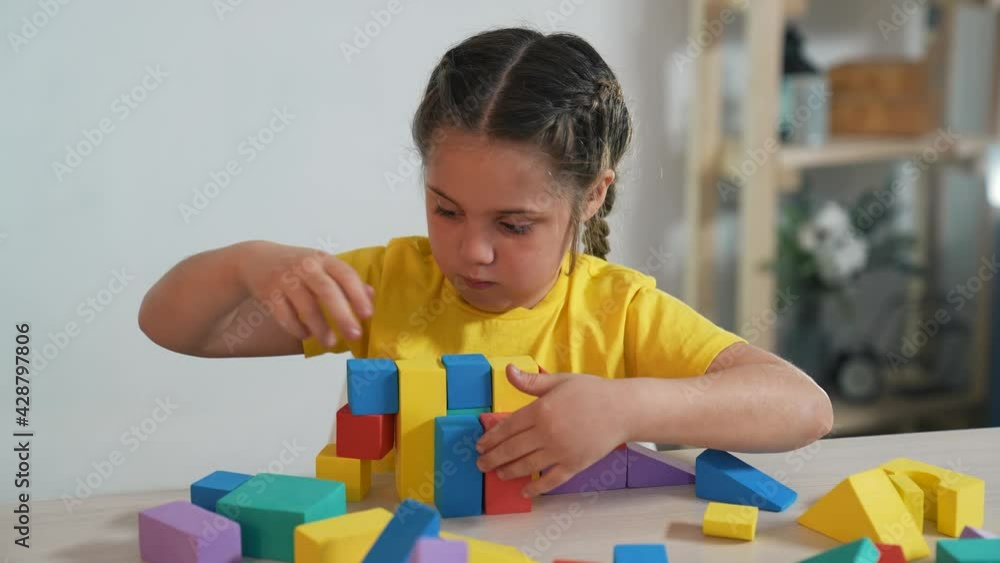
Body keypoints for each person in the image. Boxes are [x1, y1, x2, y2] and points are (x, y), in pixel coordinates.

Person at [138, 27, 833, 497]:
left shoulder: (616, 312)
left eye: (514, 223)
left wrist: (625, 404)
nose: (471, 250)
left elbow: (803, 407)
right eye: (446, 210)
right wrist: (247, 264)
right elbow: (174, 327)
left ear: (592, 195)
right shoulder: (383, 286)